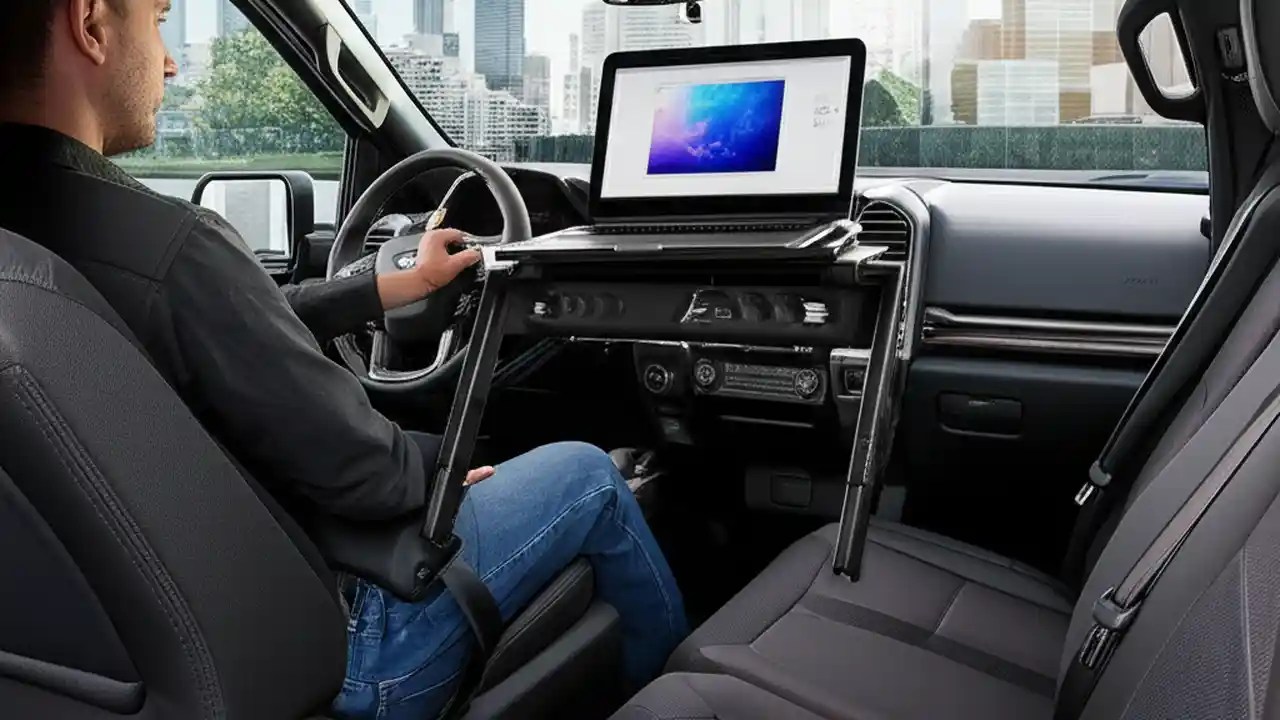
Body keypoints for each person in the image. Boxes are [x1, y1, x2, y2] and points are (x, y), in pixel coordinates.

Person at [0, 1, 688, 717]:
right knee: (590, 474)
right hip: (337, 639)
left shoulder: (52, 238)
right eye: (158, 20)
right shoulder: (178, 250)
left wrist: (386, 288)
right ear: (91, 24)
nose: (170, 60)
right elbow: (372, 477)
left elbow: (238, 319)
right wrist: (445, 464)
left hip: (126, 647)